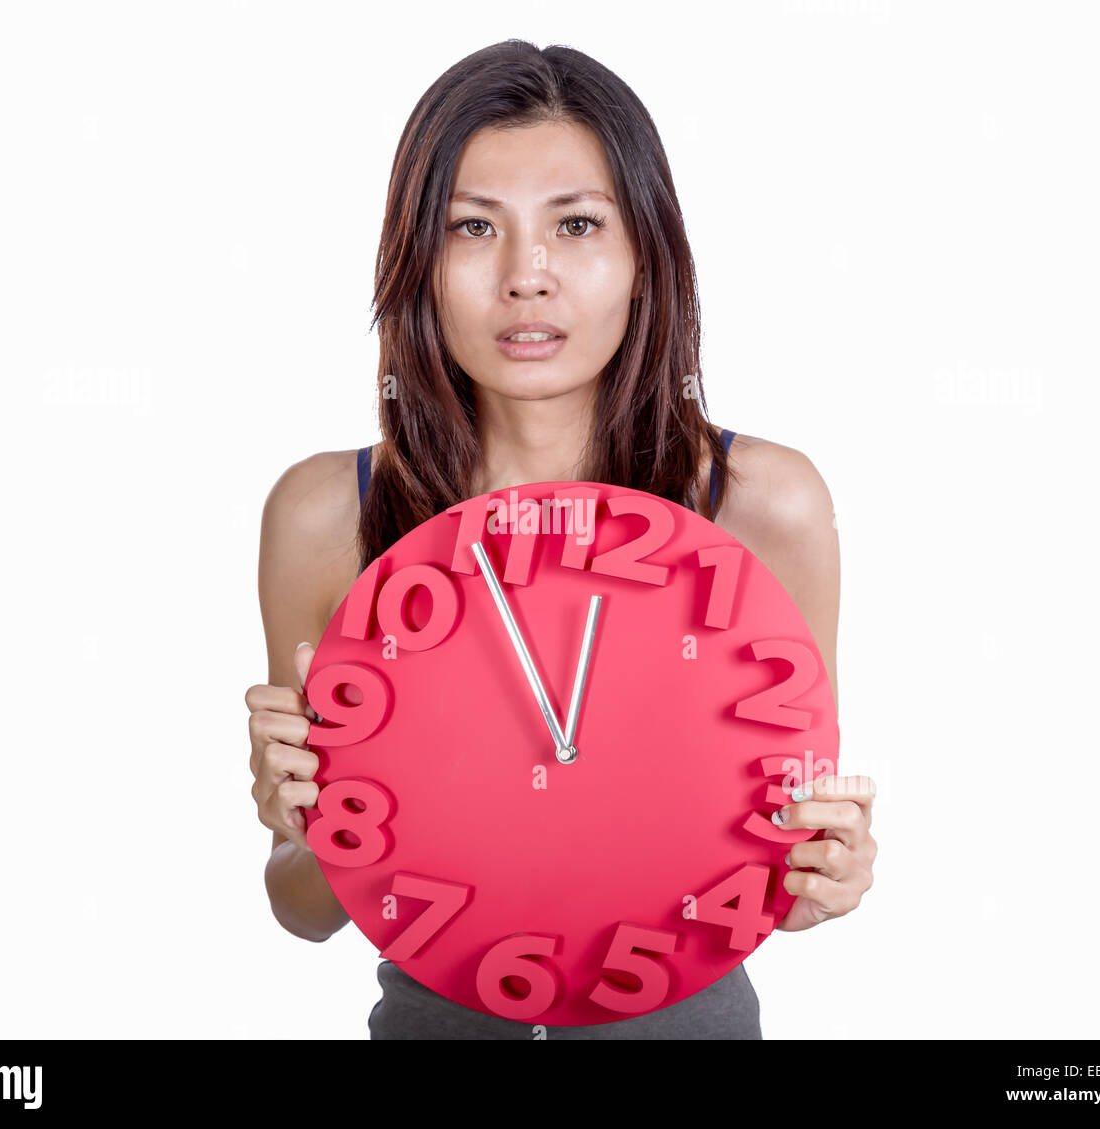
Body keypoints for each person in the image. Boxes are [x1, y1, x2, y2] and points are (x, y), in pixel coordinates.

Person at [245, 39, 877, 1039]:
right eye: (471, 227)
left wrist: (820, 876)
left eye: (575, 224)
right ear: (419, 262)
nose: (525, 277)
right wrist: (313, 826)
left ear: (642, 258)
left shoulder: (763, 504)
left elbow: (788, 848)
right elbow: (301, 906)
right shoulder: (329, 513)